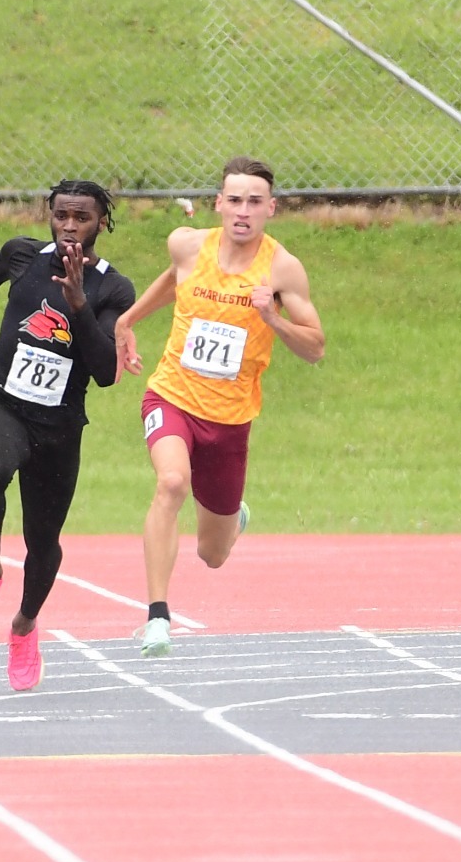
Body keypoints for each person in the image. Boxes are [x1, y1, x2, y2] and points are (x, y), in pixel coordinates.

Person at [0, 181, 135, 690]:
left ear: (101, 222)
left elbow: (105, 371)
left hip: (59, 428)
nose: (69, 227)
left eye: (81, 218)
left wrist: (79, 305)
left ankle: (23, 625)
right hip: (3, 404)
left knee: (44, 543)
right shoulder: (23, 256)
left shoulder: (114, 289)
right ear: (50, 216)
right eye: (61, 216)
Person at [114, 157, 325, 657]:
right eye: (234, 200)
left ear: (271, 209)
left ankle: (231, 520)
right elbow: (173, 278)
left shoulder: (282, 268)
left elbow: (315, 347)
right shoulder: (188, 244)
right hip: (172, 396)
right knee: (170, 484)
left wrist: (272, 317)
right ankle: (158, 618)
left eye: (255, 202)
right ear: (218, 204)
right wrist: (127, 320)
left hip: (230, 421)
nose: (243, 211)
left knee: (212, 553)